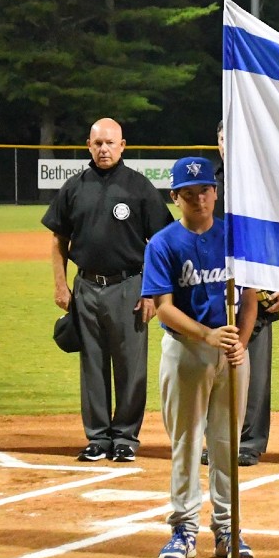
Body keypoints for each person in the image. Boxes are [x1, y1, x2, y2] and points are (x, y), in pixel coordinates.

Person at [142, 156, 257, 558]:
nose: (199, 200)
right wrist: (207, 334)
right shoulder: (164, 243)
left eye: (205, 191)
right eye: (188, 194)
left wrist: (240, 344)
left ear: (215, 191)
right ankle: (183, 529)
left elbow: (249, 298)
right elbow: (163, 307)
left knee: (227, 444)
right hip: (186, 350)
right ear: (175, 197)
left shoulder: (233, 238)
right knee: (187, 442)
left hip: (231, 353)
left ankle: (228, 529)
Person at [42, 118, 173, 463]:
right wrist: (60, 284)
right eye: (98, 143)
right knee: (92, 365)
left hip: (130, 286)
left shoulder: (139, 188)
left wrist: (152, 292)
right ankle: (98, 437)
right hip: (85, 286)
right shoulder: (74, 187)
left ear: (122, 145)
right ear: (88, 145)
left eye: (110, 143)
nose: (104, 149)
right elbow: (59, 240)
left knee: (131, 366)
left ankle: (126, 436)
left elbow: (161, 243)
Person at [213, 120, 279, 467]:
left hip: (256, 293)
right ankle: (218, 436)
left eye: (234, 137)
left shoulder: (264, 185)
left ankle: (250, 441)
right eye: (223, 137)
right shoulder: (207, 187)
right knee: (214, 369)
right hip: (213, 292)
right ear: (217, 143)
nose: (229, 144)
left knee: (253, 369)